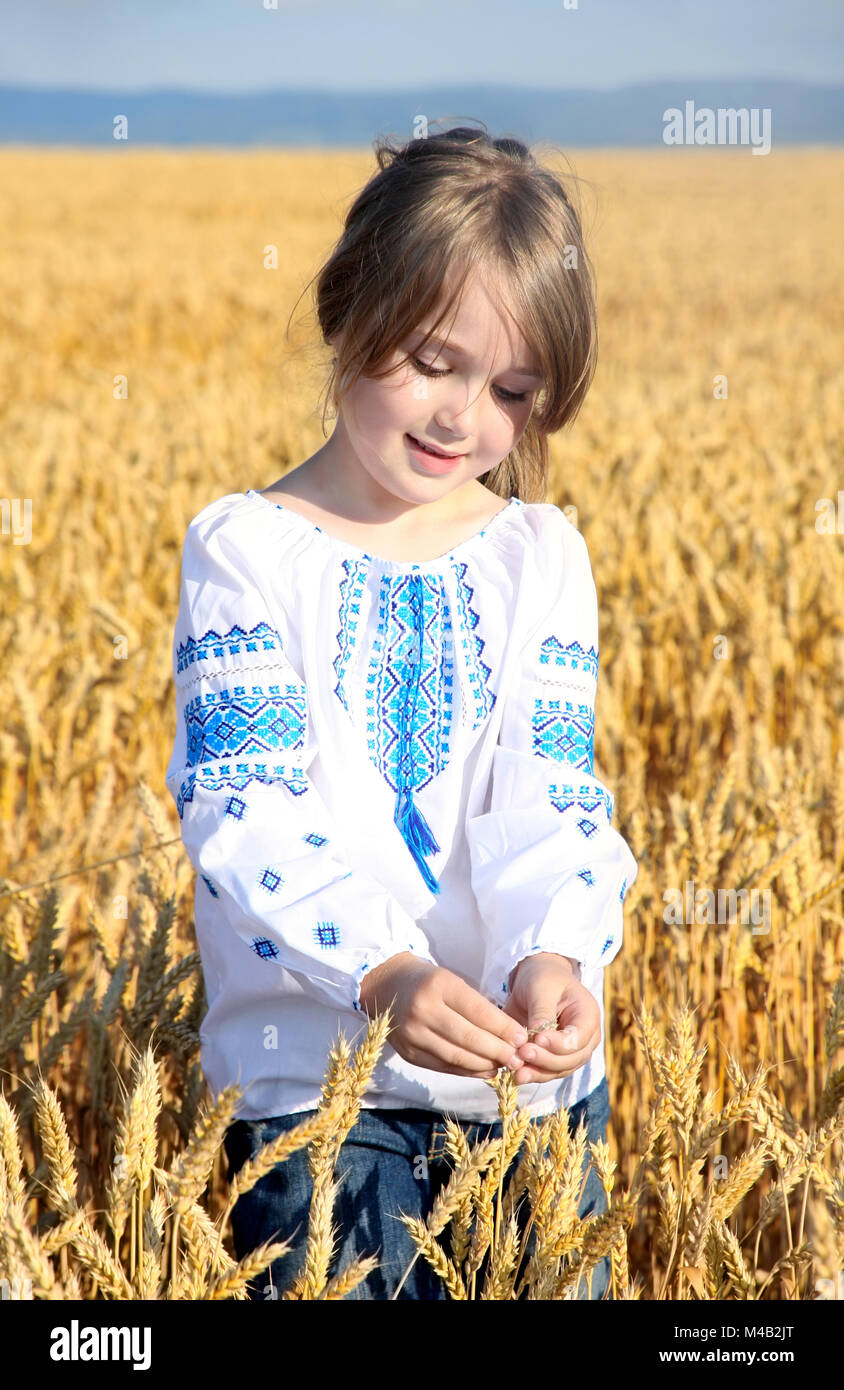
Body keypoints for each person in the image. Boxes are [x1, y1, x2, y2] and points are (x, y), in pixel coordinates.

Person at [165, 125, 638, 1301]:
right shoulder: (247, 549)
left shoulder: (539, 555)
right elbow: (245, 807)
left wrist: (553, 954)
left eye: (512, 391)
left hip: (528, 1099)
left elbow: (553, 790)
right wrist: (383, 973)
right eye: (432, 361)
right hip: (322, 1100)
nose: (462, 417)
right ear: (346, 312)